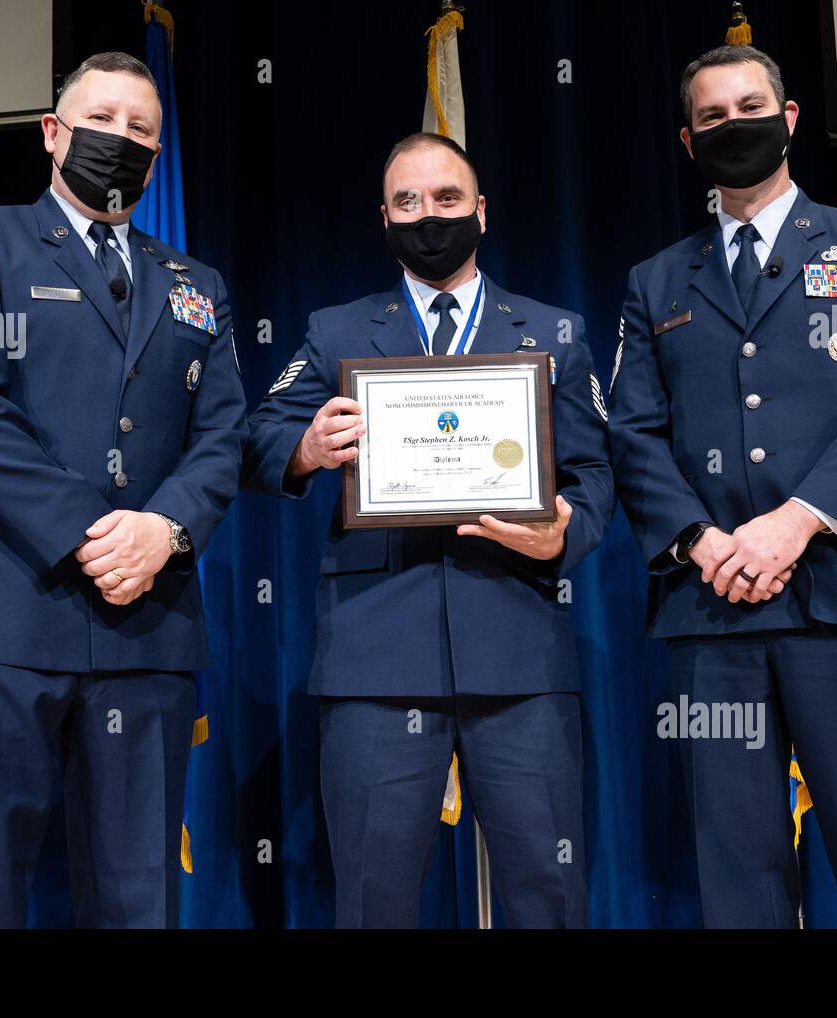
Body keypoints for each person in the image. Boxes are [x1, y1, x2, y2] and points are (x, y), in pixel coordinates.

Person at [0, 52, 247, 928]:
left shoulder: (199, 288)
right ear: (53, 133)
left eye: (140, 130)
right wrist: (95, 533)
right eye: (102, 119)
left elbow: (224, 434)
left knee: (140, 901)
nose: (119, 139)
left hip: (144, 621)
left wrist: (164, 529)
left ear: (156, 158)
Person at [607, 44, 837, 928]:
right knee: (738, 877)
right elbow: (632, 431)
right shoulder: (654, 283)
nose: (735, 126)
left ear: (789, 119)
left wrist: (795, 523)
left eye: (750, 107)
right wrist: (701, 539)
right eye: (712, 117)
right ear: (688, 142)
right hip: (713, 608)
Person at [243, 132, 614, 927]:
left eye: (446, 200)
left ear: (481, 210)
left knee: (548, 899)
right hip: (375, 663)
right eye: (408, 203)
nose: (429, 217)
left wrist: (565, 531)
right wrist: (306, 447)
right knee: (374, 902)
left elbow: (596, 475)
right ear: (383, 218)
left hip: (520, 659)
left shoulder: (553, 334)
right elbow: (259, 438)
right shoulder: (335, 331)